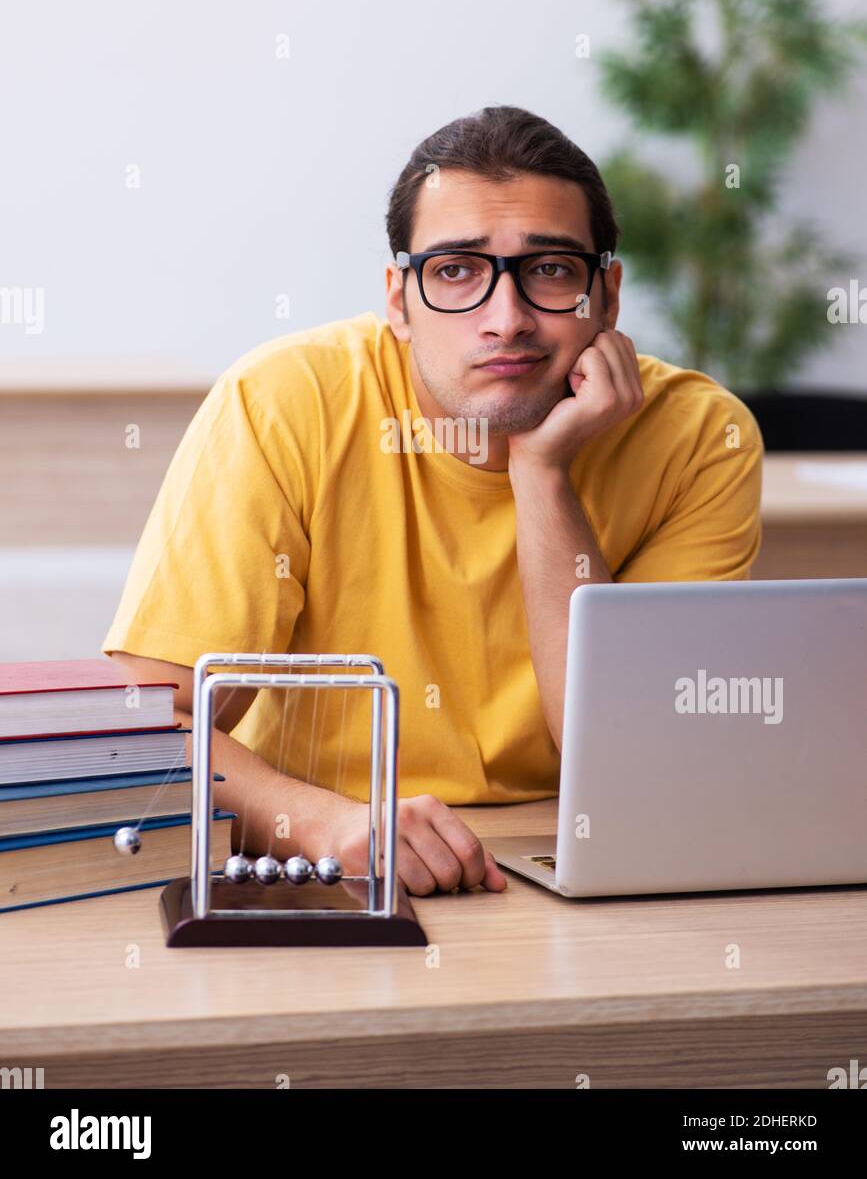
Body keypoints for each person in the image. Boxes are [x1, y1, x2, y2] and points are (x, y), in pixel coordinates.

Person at [103, 105, 763, 896]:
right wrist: (315, 819)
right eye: (456, 271)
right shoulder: (283, 401)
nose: (505, 319)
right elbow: (137, 730)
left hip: (568, 866)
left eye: (549, 269)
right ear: (399, 299)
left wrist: (541, 471)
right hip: (320, 862)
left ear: (607, 295)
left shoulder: (699, 435)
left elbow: (637, 764)